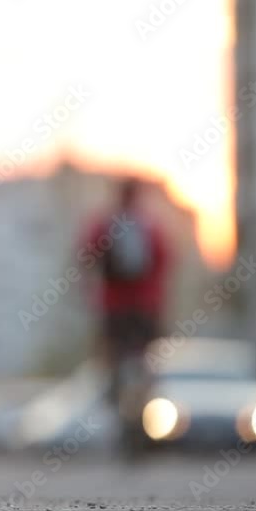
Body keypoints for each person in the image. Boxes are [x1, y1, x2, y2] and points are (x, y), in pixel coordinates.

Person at [81, 178, 171, 457]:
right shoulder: (151, 226)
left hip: (113, 307)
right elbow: (166, 262)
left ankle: (113, 391)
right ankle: (144, 398)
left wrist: (87, 293)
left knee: (111, 356)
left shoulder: (103, 225)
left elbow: (85, 258)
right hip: (146, 308)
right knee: (145, 360)